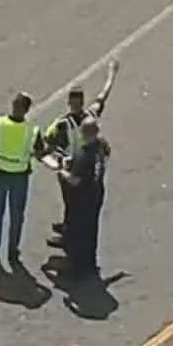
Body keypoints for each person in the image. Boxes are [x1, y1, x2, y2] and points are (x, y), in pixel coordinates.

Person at [42, 58, 117, 247]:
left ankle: (68, 236)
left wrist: (111, 75)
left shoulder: (66, 123)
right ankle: (68, 226)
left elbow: (103, 95)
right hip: (72, 166)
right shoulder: (72, 121)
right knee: (71, 203)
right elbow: (48, 146)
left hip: (79, 167)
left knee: (74, 203)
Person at [0, 93, 38, 267]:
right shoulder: (31, 130)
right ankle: (13, 251)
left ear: (13, 104)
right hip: (19, 176)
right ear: (27, 110)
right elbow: (41, 151)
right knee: (16, 216)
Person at [58, 115, 110, 279]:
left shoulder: (84, 154)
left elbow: (75, 179)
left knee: (79, 232)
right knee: (92, 231)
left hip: (82, 197)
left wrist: (62, 172)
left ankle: (78, 269)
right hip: (97, 192)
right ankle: (90, 264)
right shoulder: (102, 146)